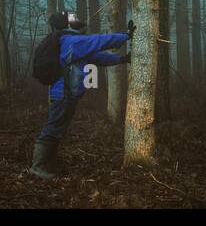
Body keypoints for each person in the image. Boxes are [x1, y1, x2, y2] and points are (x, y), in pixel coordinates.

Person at [30, 10, 136, 178]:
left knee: (57, 129)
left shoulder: (71, 43)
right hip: (63, 94)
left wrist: (121, 59)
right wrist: (126, 36)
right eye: (72, 17)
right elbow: (100, 41)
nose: (76, 18)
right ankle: (38, 167)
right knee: (53, 128)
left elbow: (97, 58)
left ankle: (48, 165)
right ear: (66, 24)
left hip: (66, 94)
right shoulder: (72, 41)